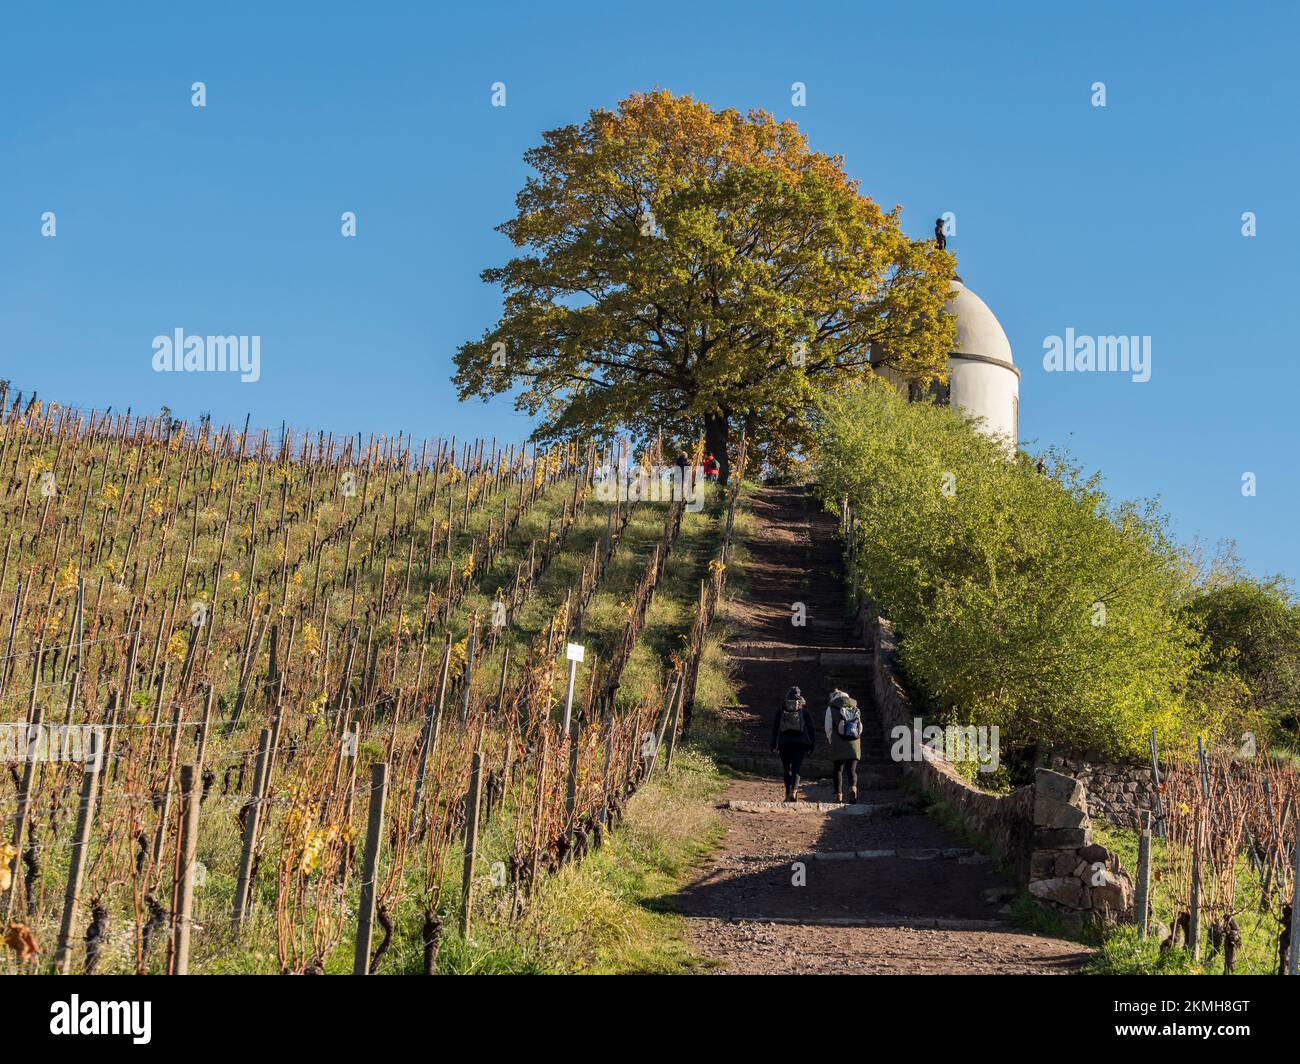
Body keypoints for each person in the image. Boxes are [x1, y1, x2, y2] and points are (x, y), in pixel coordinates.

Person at [771, 686, 815, 802]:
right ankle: (794, 791)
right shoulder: (804, 710)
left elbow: (776, 728)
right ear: (800, 695)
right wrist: (812, 744)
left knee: (787, 770)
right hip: (800, 744)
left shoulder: (782, 709)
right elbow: (811, 729)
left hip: (784, 744)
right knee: (796, 769)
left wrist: (773, 744)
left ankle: (787, 793)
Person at [824, 687, 863, 803]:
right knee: (851, 769)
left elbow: (828, 728)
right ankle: (853, 788)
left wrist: (831, 740)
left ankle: (838, 795)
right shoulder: (854, 706)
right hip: (854, 742)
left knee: (838, 770)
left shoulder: (831, 708)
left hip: (838, 740)